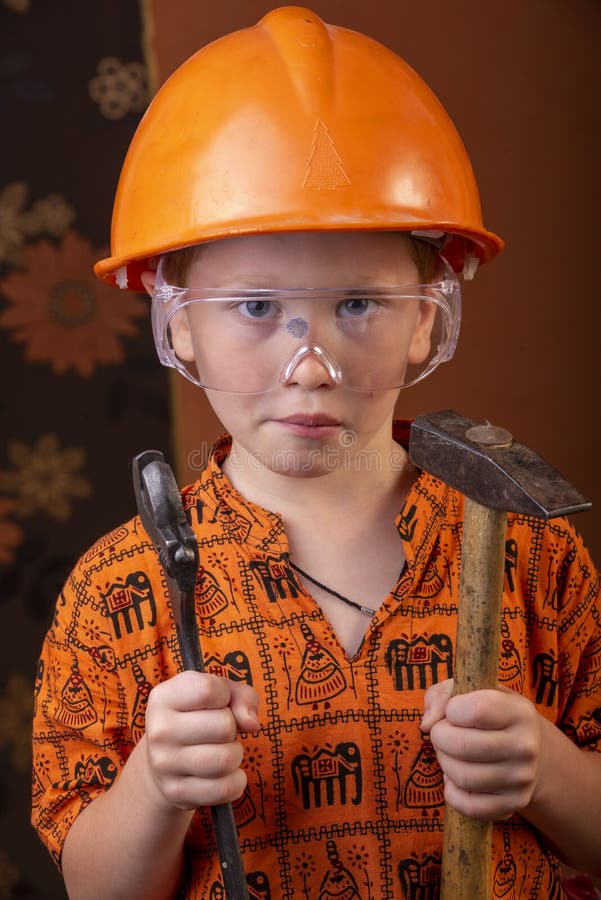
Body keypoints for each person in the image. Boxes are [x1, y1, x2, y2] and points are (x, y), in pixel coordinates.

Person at [31, 7, 600, 899]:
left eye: (358, 306)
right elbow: (95, 889)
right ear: (180, 324)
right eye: (256, 308)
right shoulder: (119, 593)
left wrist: (550, 772)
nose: (310, 367)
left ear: (425, 318)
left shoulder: (532, 558)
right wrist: (154, 786)